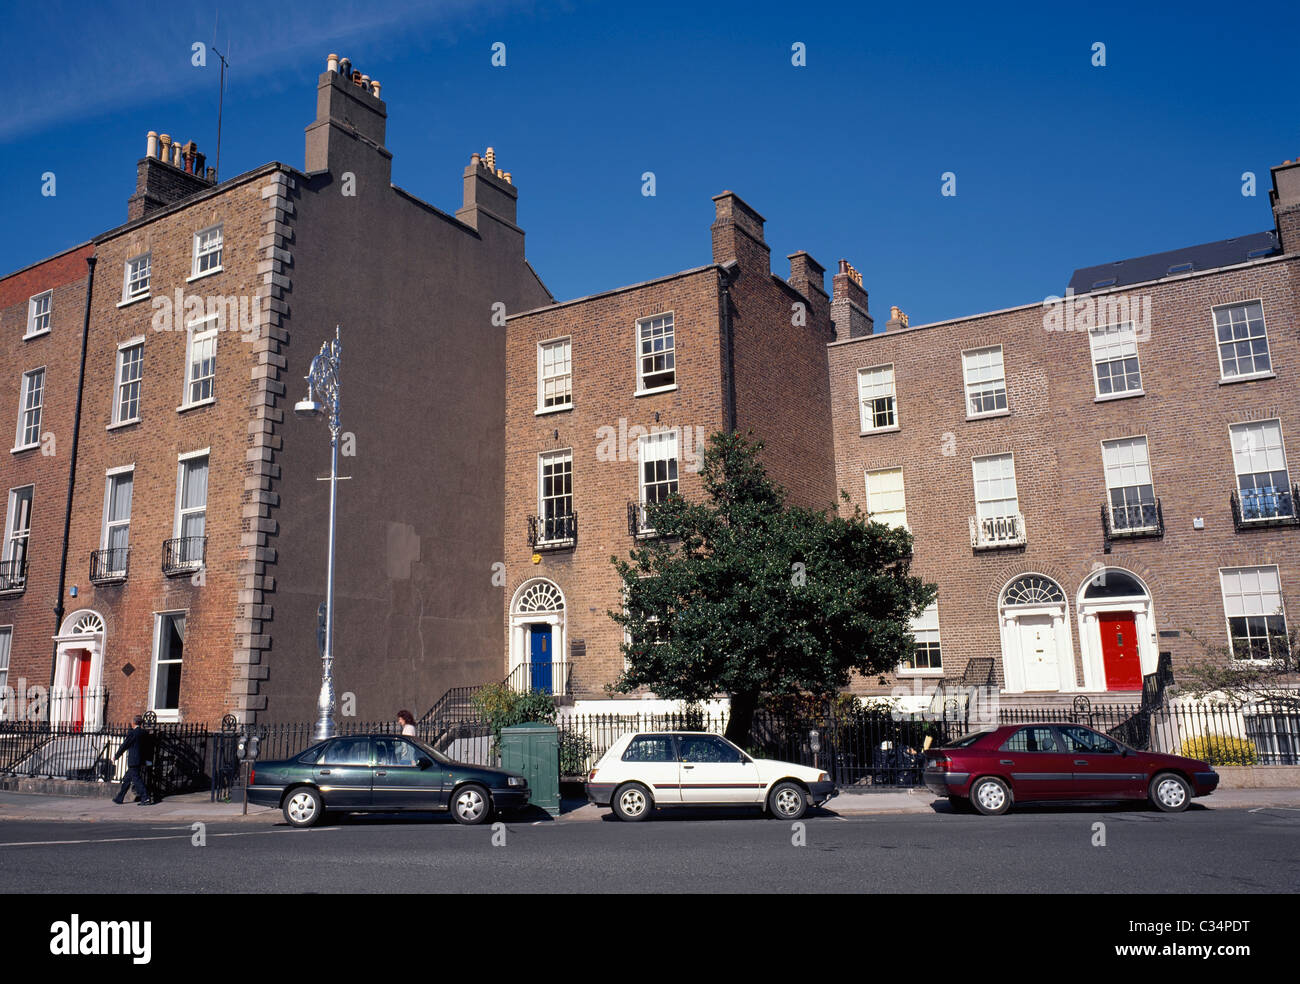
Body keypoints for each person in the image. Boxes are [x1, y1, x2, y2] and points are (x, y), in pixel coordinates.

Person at [112, 715, 153, 806]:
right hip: (141, 759)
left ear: (134, 722)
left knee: (136, 780)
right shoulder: (144, 733)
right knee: (127, 779)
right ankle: (119, 798)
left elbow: (125, 745)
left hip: (133, 760)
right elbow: (149, 747)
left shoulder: (133, 733)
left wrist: (117, 755)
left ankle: (145, 798)